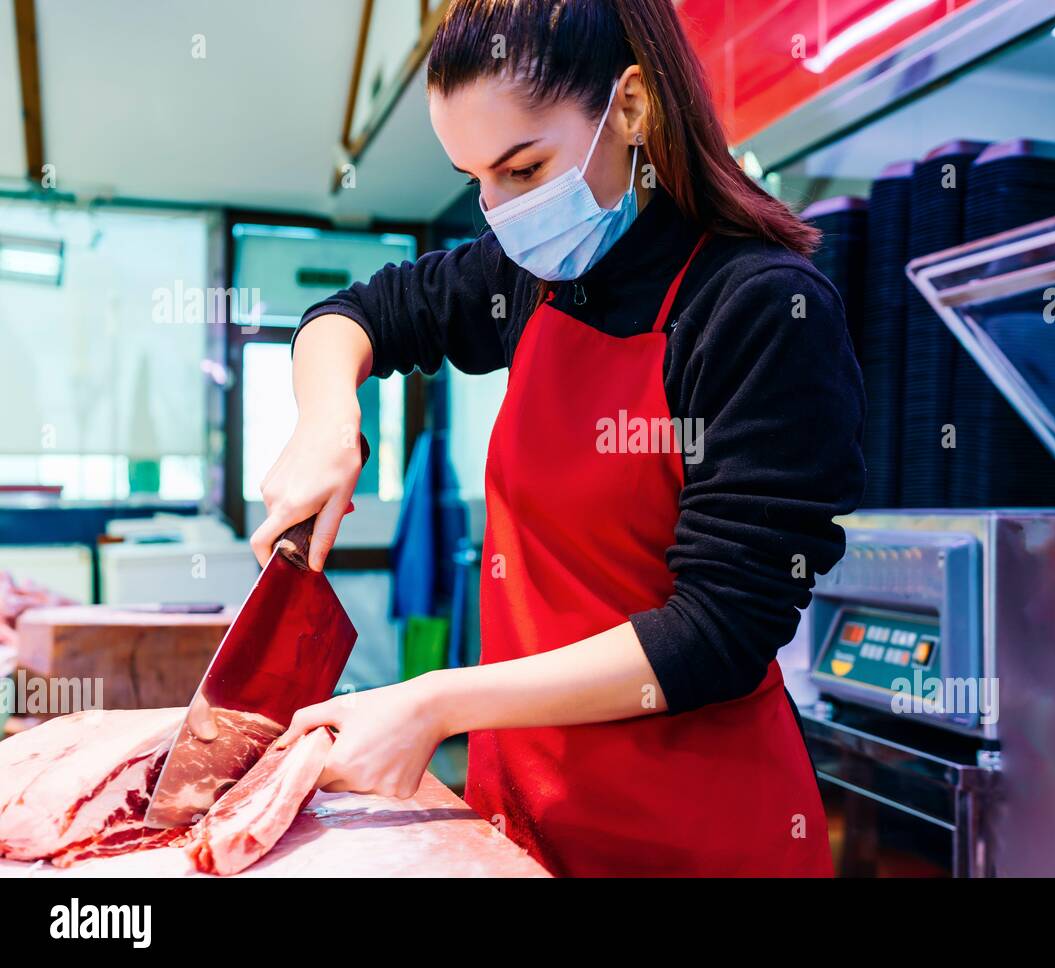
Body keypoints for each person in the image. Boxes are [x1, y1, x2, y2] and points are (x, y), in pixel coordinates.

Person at [262, 0, 865, 876]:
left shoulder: (762, 308)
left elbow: (719, 629)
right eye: (477, 178)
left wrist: (438, 703)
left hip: (695, 836)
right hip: (525, 820)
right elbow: (353, 315)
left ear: (629, 107)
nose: (499, 211)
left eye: (524, 167)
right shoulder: (531, 275)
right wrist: (326, 422)